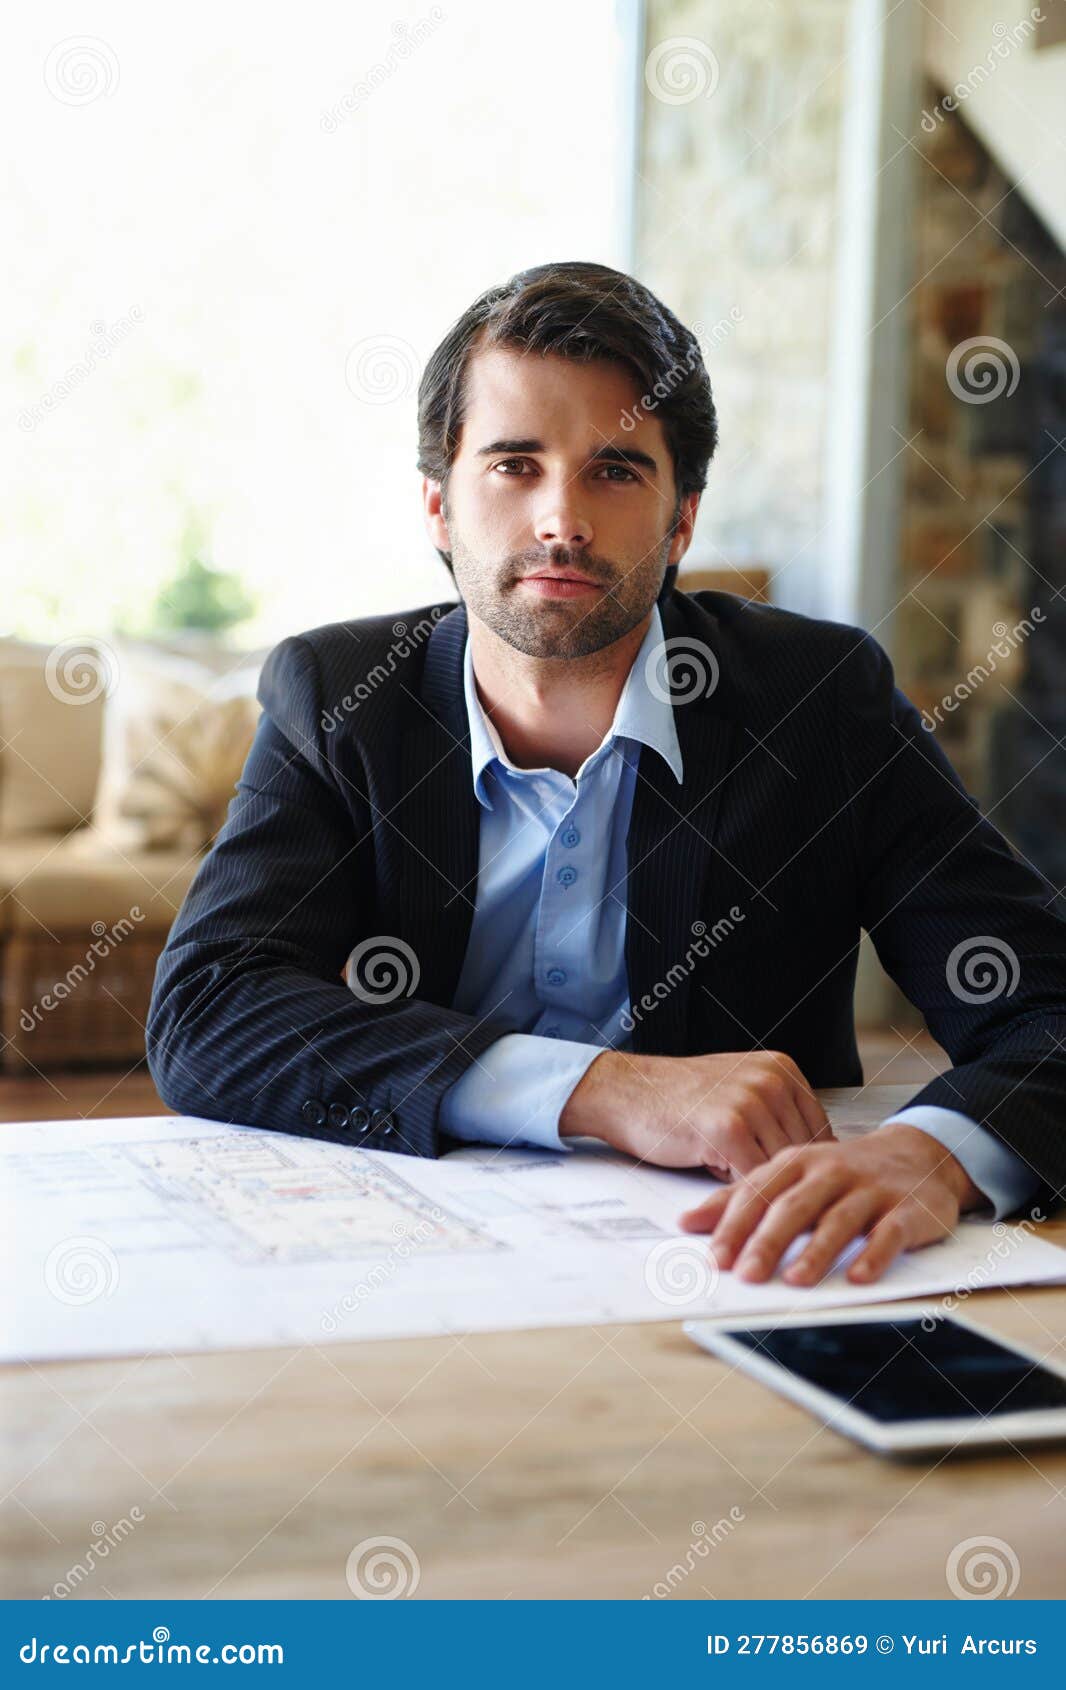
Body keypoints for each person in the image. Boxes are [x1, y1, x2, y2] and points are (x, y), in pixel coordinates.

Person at [147, 261, 1066, 1287]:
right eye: (512, 463)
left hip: (741, 1271)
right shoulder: (339, 696)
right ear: (437, 507)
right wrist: (605, 1088)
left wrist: (931, 1152)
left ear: (682, 522)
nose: (560, 520)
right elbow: (210, 1010)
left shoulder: (819, 705)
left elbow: (1046, 1008)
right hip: (397, 1271)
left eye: (616, 469)